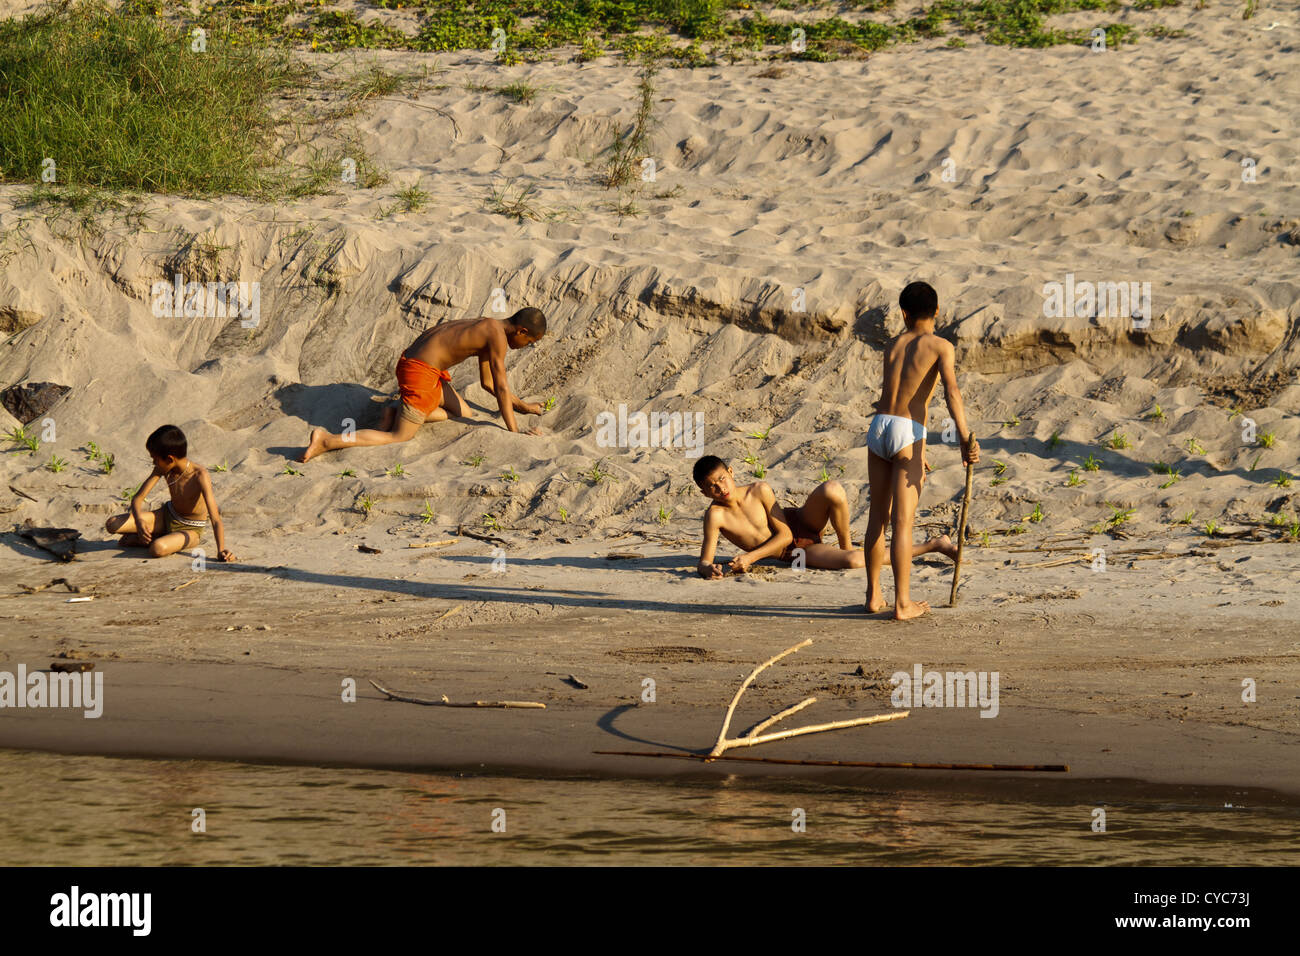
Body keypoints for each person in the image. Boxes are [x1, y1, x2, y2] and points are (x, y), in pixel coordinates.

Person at [864, 281, 979, 620]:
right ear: (938, 311)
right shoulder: (941, 346)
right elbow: (951, 393)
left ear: (903, 313)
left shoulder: (892, 345)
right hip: (907, 432)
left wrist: (921, 447)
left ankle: (873, 595)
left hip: (879, 426)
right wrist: (963, 437)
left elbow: (900, 397)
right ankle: (902, 603)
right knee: (903, 522)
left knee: (877, 519)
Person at [298, 308, 547, 462]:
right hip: (420, 373)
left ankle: (398, 410)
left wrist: (523, 406)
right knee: (398, 436)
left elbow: (488, 383)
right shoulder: (498, 339)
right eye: (531, 342)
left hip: (422, 366)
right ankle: (327, 440)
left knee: (464, 413)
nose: (528, 345)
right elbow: (502, 388)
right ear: (521, 331)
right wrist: (514, 434)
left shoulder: (491, 325)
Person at [693, 455, 864, 578]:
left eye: (722, 479)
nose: (721, 488)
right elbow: (704, 562)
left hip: (800, 520)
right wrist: (708, 569)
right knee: (853, 561)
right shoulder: (715, 516)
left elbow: (786, 534)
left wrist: (749, 558)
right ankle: (884, 554)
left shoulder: (759, 490)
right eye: (712, 486)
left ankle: (846, 547)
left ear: (731, 472)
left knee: (832, 488)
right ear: (705, 493)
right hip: (794, 552)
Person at [106, 424, 235, 561]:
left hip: (191, 529)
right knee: (112, 524)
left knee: (157, 548)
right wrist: (139, 522)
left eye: (155, 459)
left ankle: (155, 538)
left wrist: (221, 550)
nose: (154, 462)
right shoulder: (163, 468)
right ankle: (156, 534)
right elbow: (138, 498)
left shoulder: (200, 475)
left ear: (169, 459)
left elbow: (215, 519)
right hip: (166, 516)